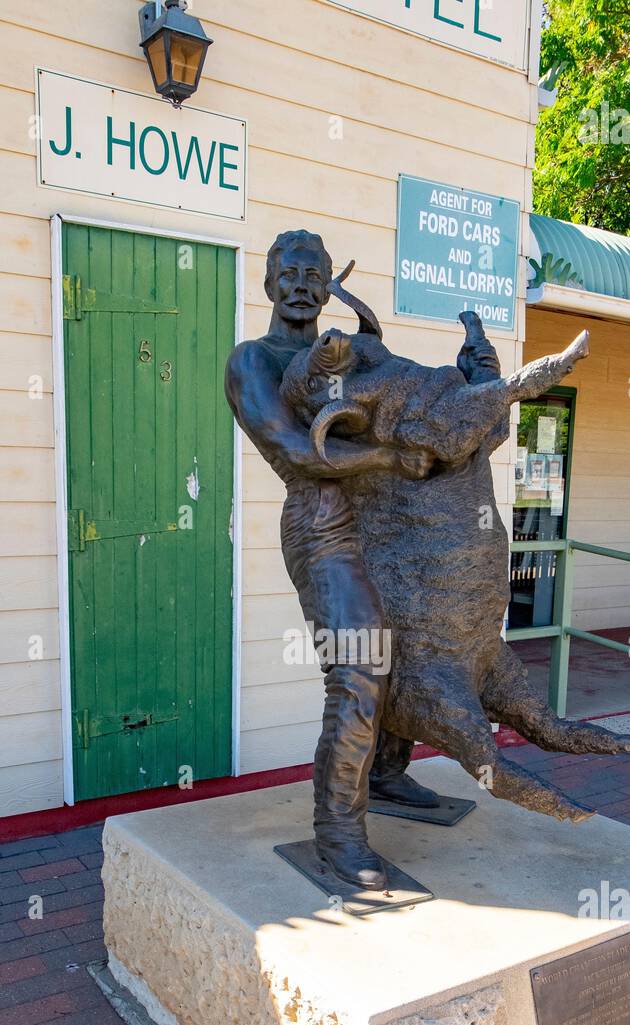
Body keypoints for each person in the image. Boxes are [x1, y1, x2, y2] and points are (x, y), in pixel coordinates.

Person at [225, 230, 436, 890]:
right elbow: (297, 453)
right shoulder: (252, 360)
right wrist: (391, 458)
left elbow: (402, 397)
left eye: (313, 272)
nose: (301, 283)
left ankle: (386, 772)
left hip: (386, 513)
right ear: (266, 283)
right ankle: (339, 831)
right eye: (287, 272)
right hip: (323, 526)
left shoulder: (343, 355)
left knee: (409, 645)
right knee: (360, 661)